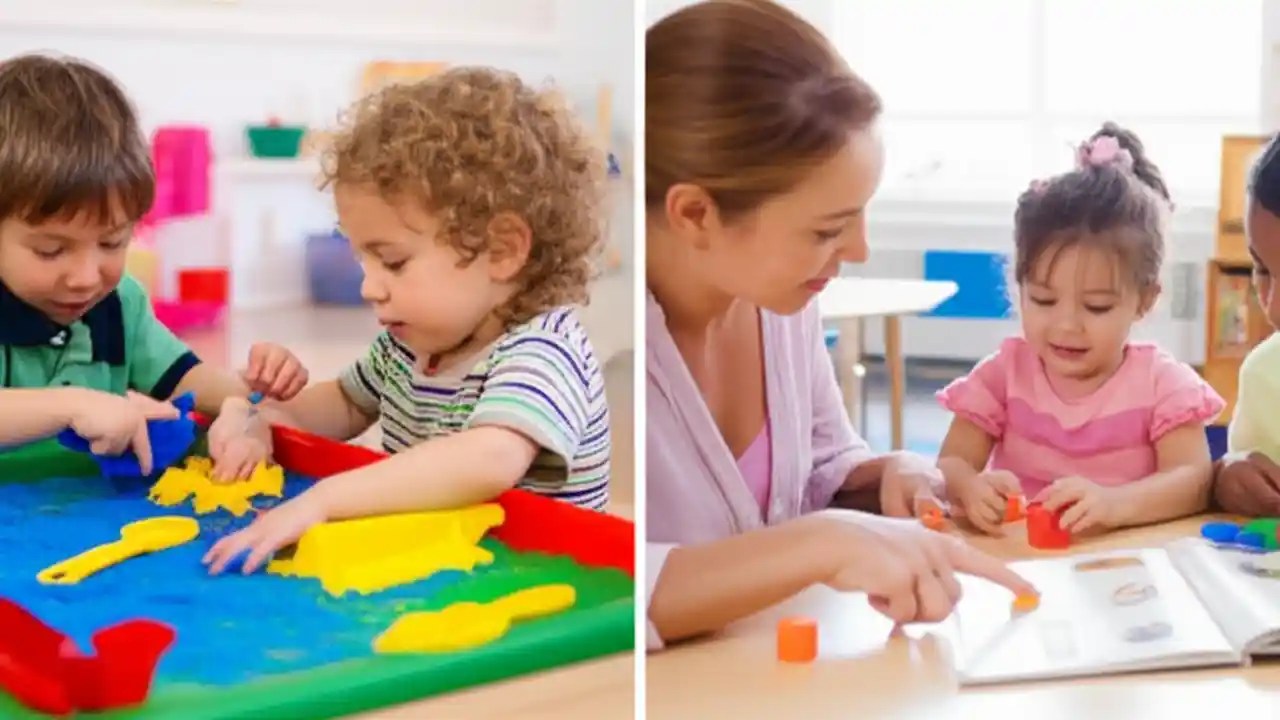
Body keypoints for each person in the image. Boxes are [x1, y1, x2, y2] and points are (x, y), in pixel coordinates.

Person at [645, 0, 1034, 651]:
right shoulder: (587, 350)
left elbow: (819, 467)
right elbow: (590, 587)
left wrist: (888, 478)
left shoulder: (779, 301)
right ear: (694, 214)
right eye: (827, 229)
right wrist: (823, 542)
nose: (857, 251)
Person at [203, 66, 611, 574]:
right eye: (362, 261)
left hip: (541, 584)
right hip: (440, 572)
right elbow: (345, 404)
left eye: (392, 262)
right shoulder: (410, 345)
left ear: (502, 250)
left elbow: (488, 460)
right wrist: (261, 420)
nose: (368, 287)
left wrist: (324, 501)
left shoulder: (546, 350)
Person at [0, 54, 305, 475]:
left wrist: (246, 398)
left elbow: (185, 379)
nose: (87, 278)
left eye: (112, 242)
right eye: (51, 251)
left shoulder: (120, 303)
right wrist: (72, 405)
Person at [936, 124, 1225, 536]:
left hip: (1123, 571)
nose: (1067, 325)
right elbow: (950, 463)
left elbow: (1194, 482)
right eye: (1043, 300)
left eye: (1097, 306)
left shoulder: (1163, 385)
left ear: (1145, 299)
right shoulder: (1004, 374)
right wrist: (969, 488)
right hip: (1024, 564)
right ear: (1018, 286)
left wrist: (1115, 504)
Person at [1214, 133, 1280, 516]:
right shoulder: (1266, 374)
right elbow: (1240, 466)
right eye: (1262, 269)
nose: (1273, 309)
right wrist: (1227, 479)